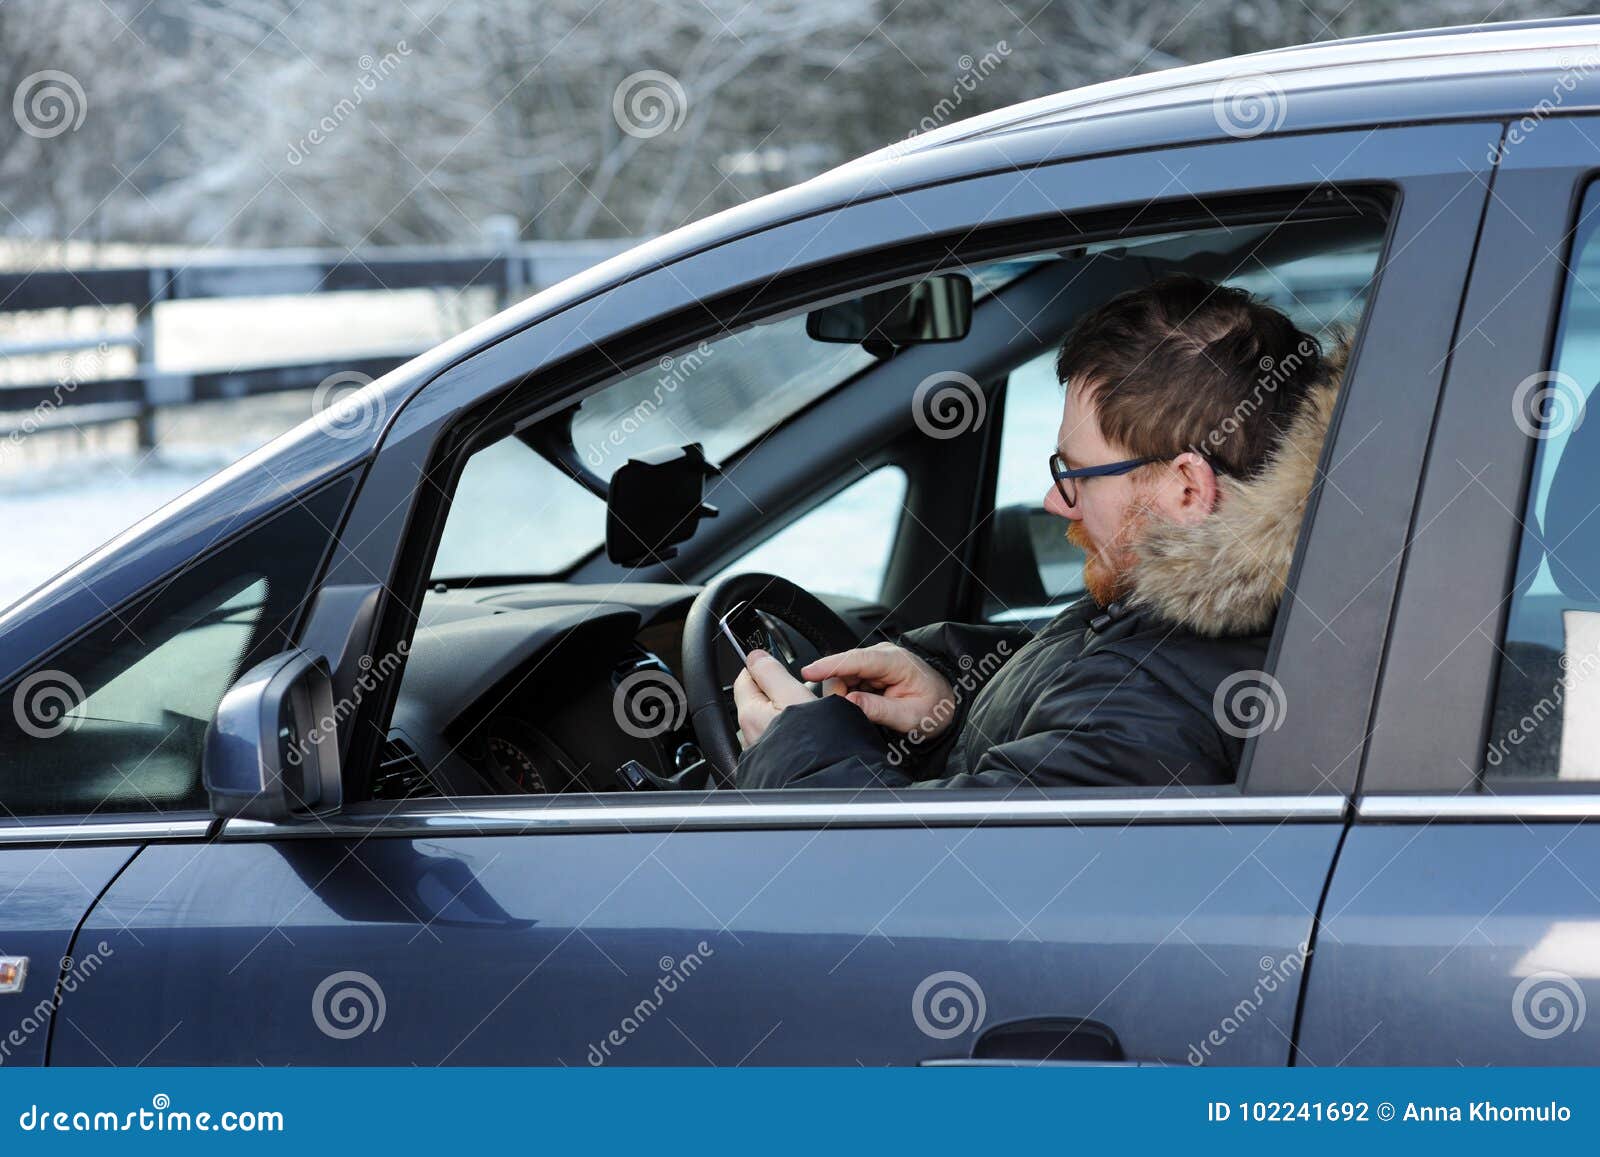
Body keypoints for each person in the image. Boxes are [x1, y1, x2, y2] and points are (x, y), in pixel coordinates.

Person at [732, 274, 1347, 791]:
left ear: (1184, 489)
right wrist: (951, 709)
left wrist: (797, 757)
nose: (1056, 501)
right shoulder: (1184, 622)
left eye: (1078, 474)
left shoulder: (1149, 713)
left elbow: (921, 885)